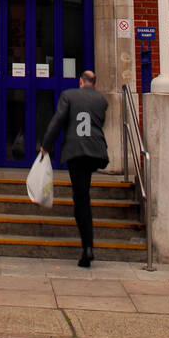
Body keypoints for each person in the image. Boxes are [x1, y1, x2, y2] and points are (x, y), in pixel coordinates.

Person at [39, 70, 108, 268]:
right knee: (83, 192)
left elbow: (57, 122)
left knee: (81, 198)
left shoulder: (69, 95)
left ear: (81, 82)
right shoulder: (101, 100)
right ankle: (88, 245)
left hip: (76, 151)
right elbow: (99, 122)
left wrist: (46, 145)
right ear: (94, 84)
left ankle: (87, 246)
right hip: (95, 151)